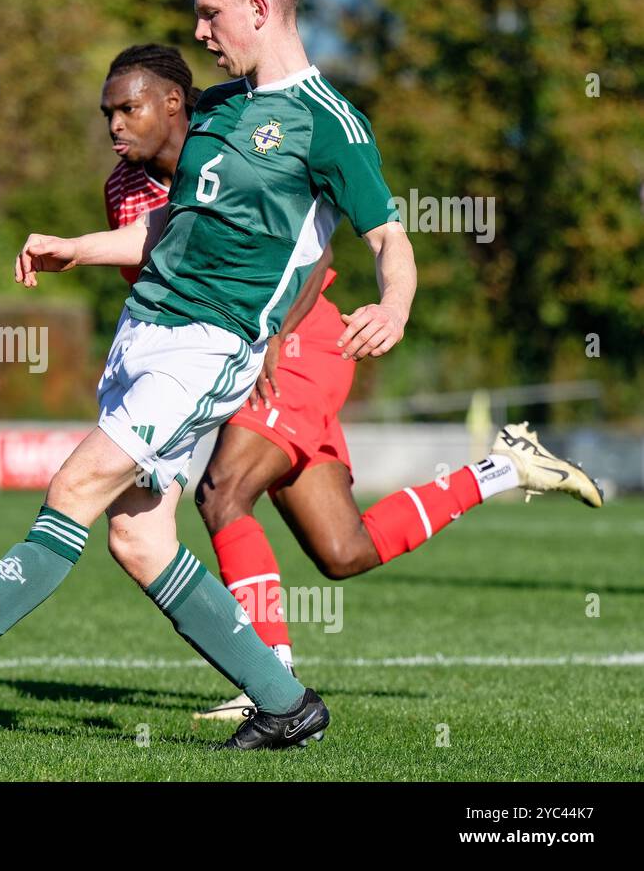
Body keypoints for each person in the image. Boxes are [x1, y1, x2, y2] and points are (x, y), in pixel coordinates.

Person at [0, 0, 417, 750]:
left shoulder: (329, 124)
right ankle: (287, 704)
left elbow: (387, 236)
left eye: (211, 15)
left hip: (211, 347)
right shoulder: (220, 110)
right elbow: (169, 228)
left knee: (78, 481)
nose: (202, 33)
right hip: (147, 335)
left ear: (259, 8)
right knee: (138, 540)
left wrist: (397, 303)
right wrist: (79, 244)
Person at [93, 48, 603, 724]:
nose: (116, 125)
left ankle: (270, 683)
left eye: (130, 108)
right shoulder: (123, 191)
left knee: (223, 493)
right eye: (110, 113)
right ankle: (502, 468)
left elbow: (316, 251)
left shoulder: (234, 138)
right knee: (343, 550)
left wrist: (272, 332)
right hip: (245, 348)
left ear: (173, 104)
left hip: (300, 339)